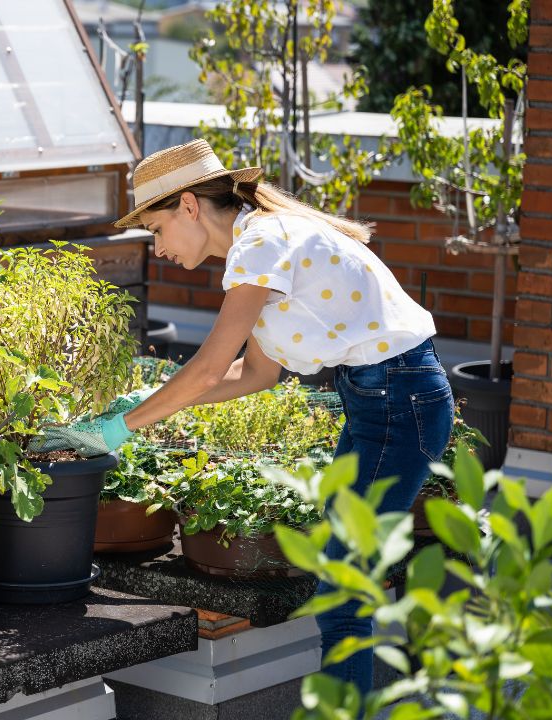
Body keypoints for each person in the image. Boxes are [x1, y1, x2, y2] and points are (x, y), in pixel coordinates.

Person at [35, 138, 454, 695]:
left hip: (399, 402)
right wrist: (141, 407)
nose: (157, 249)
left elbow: (209, 368)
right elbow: (254, 374)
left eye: (156, 230)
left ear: (188, 205)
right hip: (379, 399)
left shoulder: (260, 245)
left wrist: (118, 428)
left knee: (343, 593)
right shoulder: (262, 243)